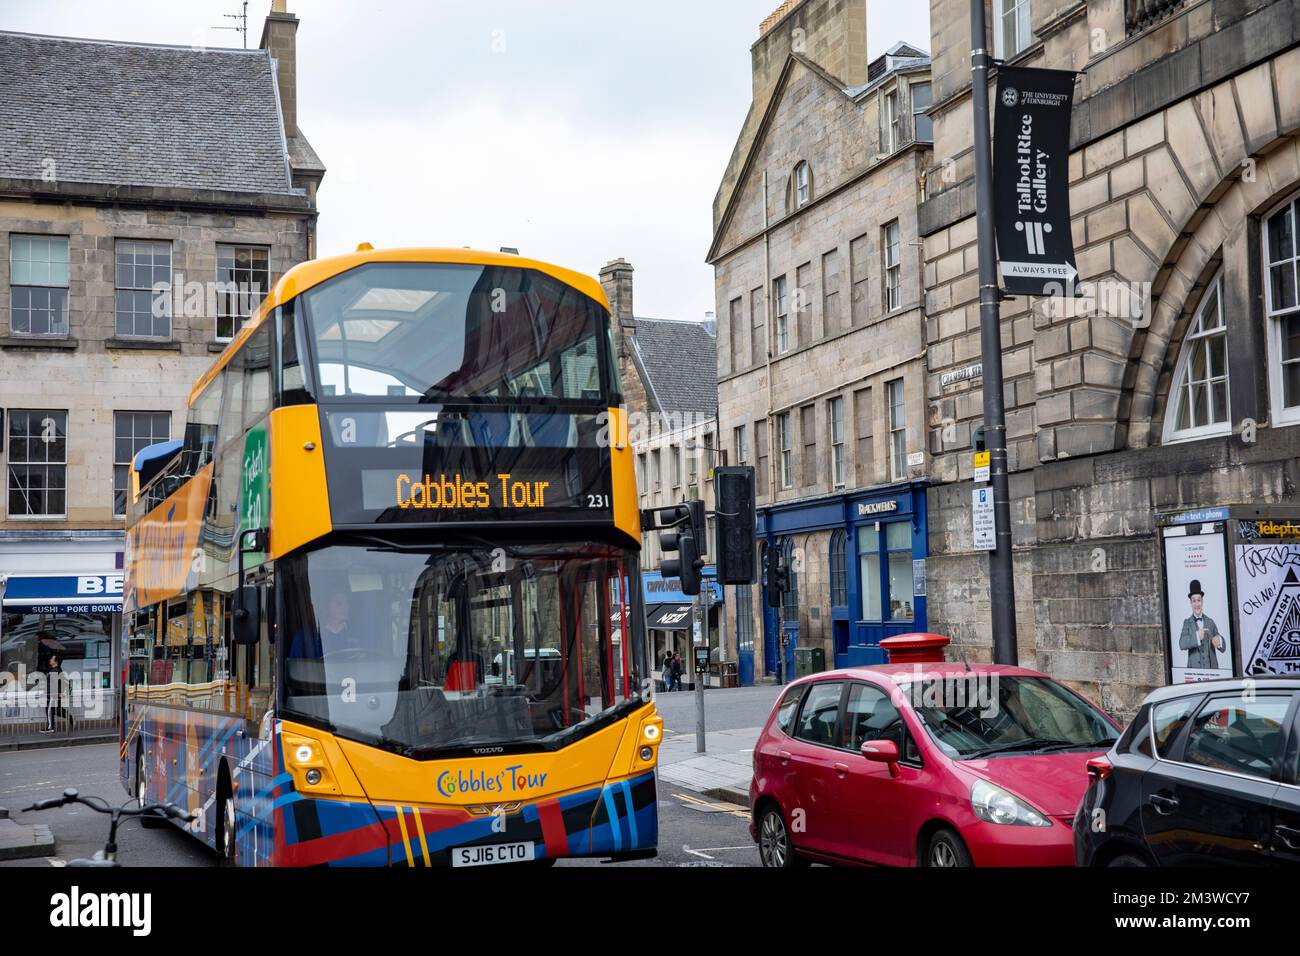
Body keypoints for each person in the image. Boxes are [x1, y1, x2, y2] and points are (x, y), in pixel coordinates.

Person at [1178, 579, 1225, 670]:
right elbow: (1182, 644)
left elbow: (1223, 649)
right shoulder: (1187, 623)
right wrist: (1197, 637)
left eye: (1198, 600)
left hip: (1212, 672)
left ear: (1202, 601)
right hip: (1194, 673)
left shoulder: (1210, 622)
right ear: (1190, 603)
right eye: (1194, 601)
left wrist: (1219, 640)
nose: (1197, 604)